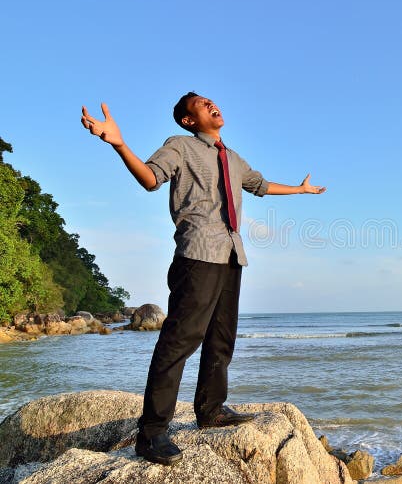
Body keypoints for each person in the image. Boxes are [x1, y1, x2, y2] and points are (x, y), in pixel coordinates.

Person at [80, 92, 325, 465]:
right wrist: (119, 144)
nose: (213, 104)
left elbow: (259, 185)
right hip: (197, 255)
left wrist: (301, 189)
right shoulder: (180, 146)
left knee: (221, 338)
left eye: (213, 100)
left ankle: (211, 411)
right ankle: (151, 434)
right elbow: (150, 179)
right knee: (180, 341)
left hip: (230, 254)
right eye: (201, 103)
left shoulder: (232, 157)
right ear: (187, 120)